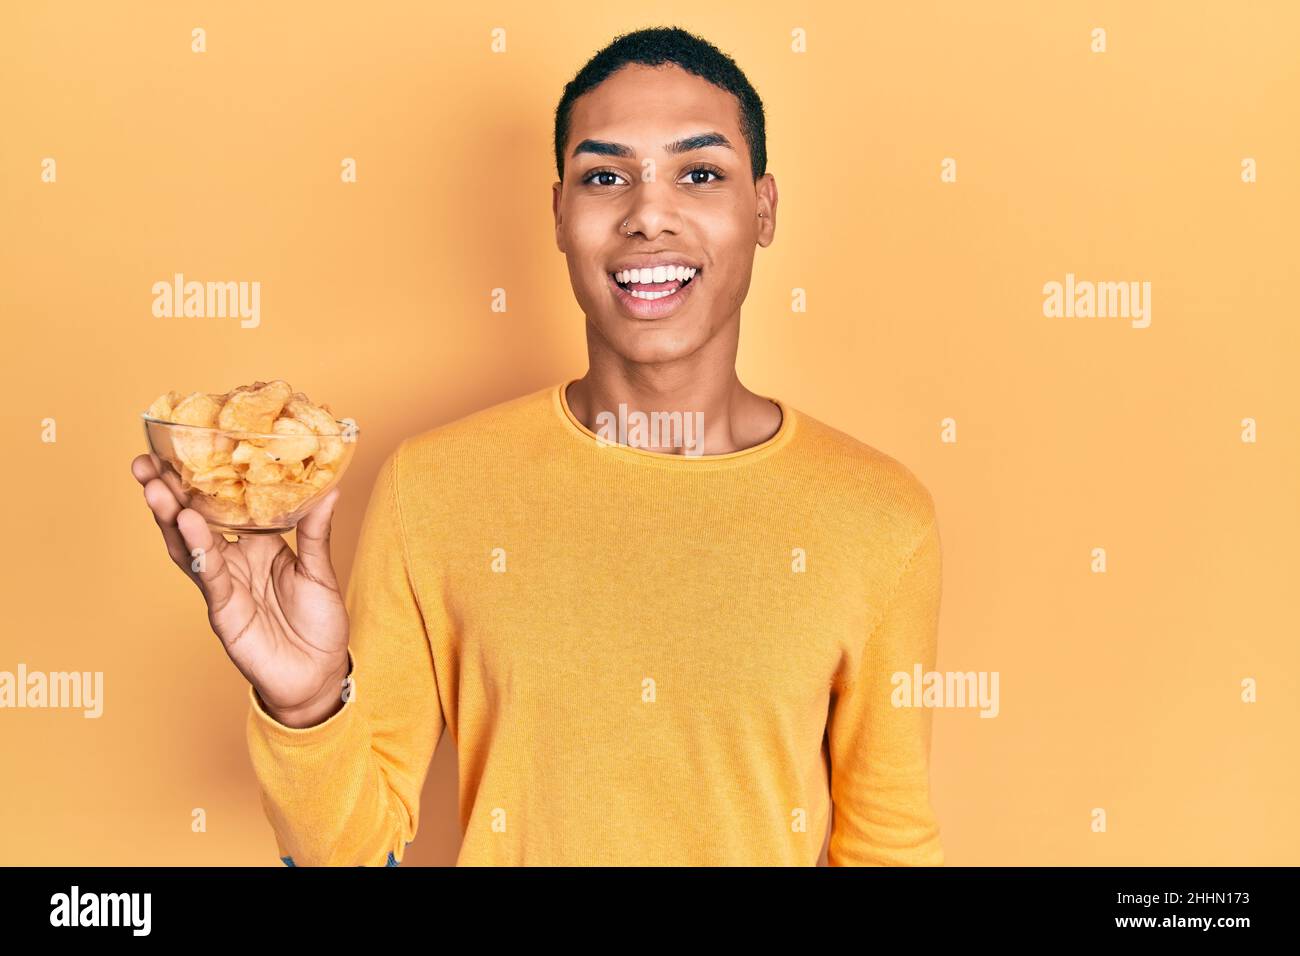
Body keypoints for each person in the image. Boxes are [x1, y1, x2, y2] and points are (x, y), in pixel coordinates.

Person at [130, 25, 945, 867]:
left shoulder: (879, 517)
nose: (649, 215)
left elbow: (889, 847)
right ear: (560, 213)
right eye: (605, 177)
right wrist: (304, 705)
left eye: (699, 173)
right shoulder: (432, 486)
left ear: (763, 208)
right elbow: (354, 857)